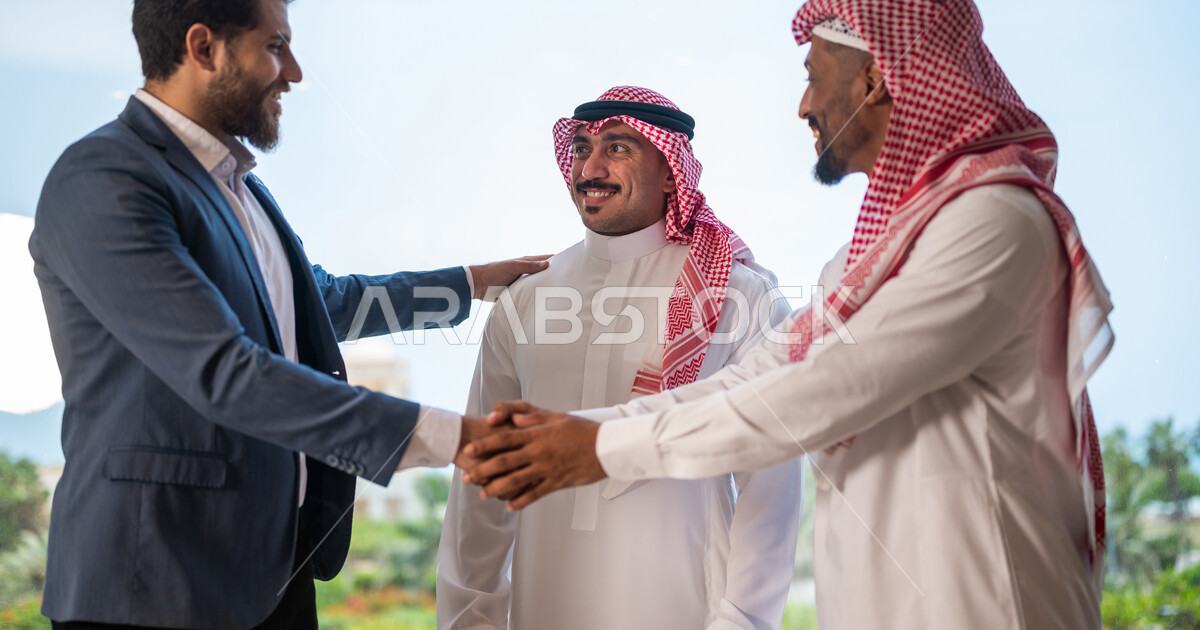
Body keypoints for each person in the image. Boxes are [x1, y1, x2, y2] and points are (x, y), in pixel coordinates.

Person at [460, 1, 1115, 628]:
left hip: (988, 602)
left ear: (877, 76)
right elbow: (760, 381)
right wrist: (574, 441)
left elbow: (821, 393)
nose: (804, 104)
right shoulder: (857, 264)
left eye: (813, 76)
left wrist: (599, 448)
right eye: (583, 147)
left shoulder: (993, 222)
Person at [29, 1, 542, 628]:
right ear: (204, 48)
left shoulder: (239, 186)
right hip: (155, 582)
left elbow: (319, 306)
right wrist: (459, 438)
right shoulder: (106, 177)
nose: (294, 71)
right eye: (276, 46)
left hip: (270, 571)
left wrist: (474, 283)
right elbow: (226, 370)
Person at [436, 86, 801, 630]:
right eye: (581, 147)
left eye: (619, 148)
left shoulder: (741, 297)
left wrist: (742, 621)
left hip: (688, 610)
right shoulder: (526, 297)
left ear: (671, 167)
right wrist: (469, 620)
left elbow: (770, 485)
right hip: (544, 607)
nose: (591, 167)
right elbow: (483, 484)